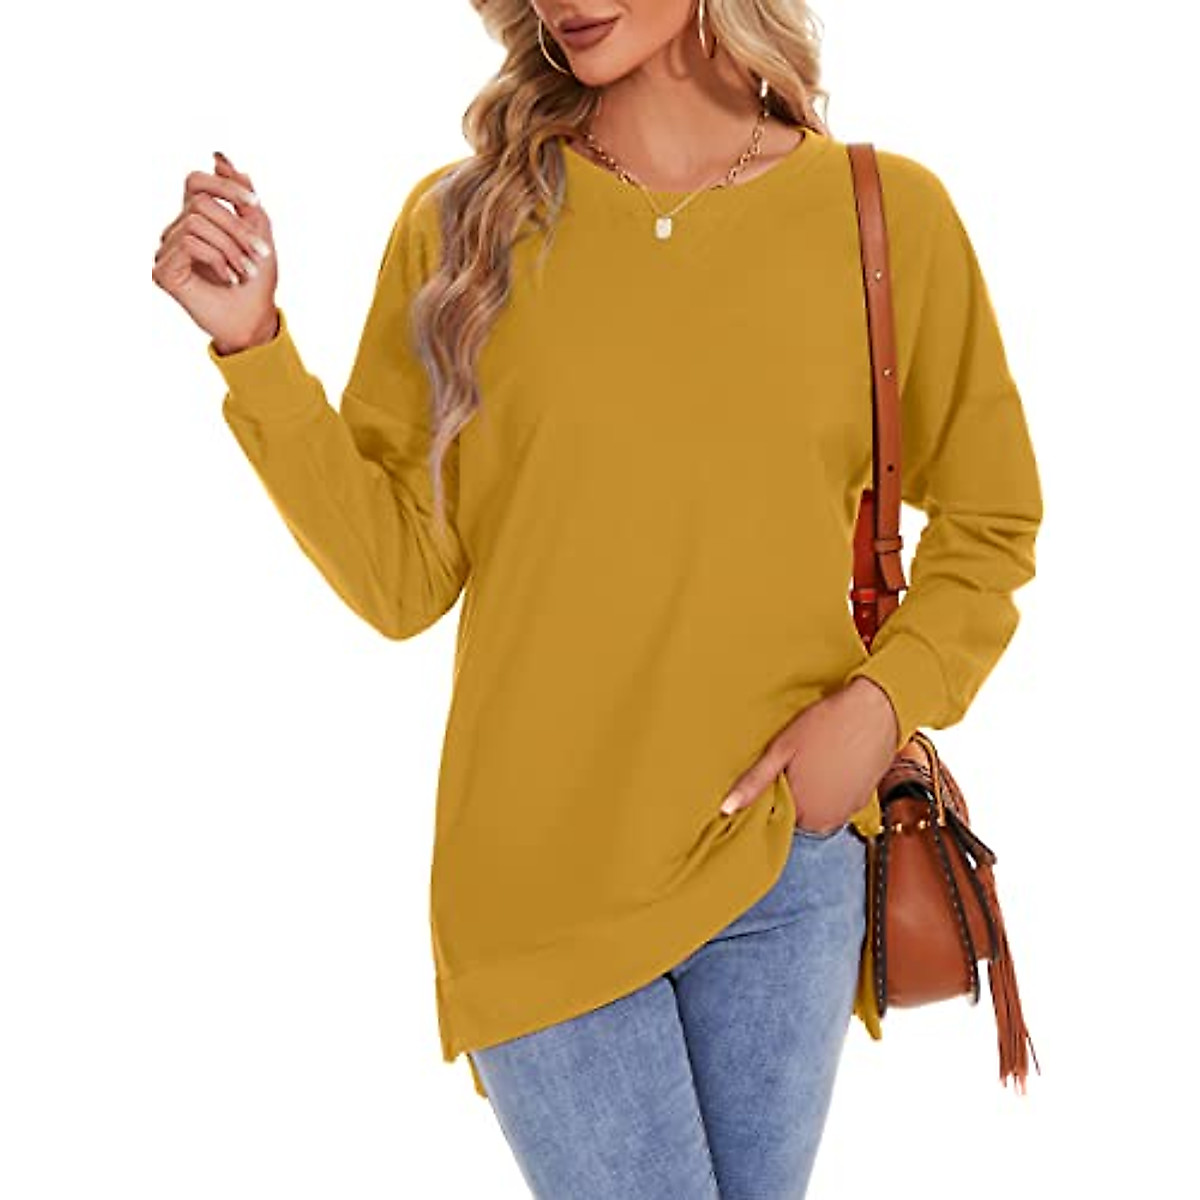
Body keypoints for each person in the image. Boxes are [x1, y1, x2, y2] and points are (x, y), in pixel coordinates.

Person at [151, 1, 1043, 1194]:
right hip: (538, 881)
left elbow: (992, 522)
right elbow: (399, 579)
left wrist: (875, 714)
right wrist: (255, 348)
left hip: (784, 865)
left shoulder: (883, 217)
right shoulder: (462, 227)